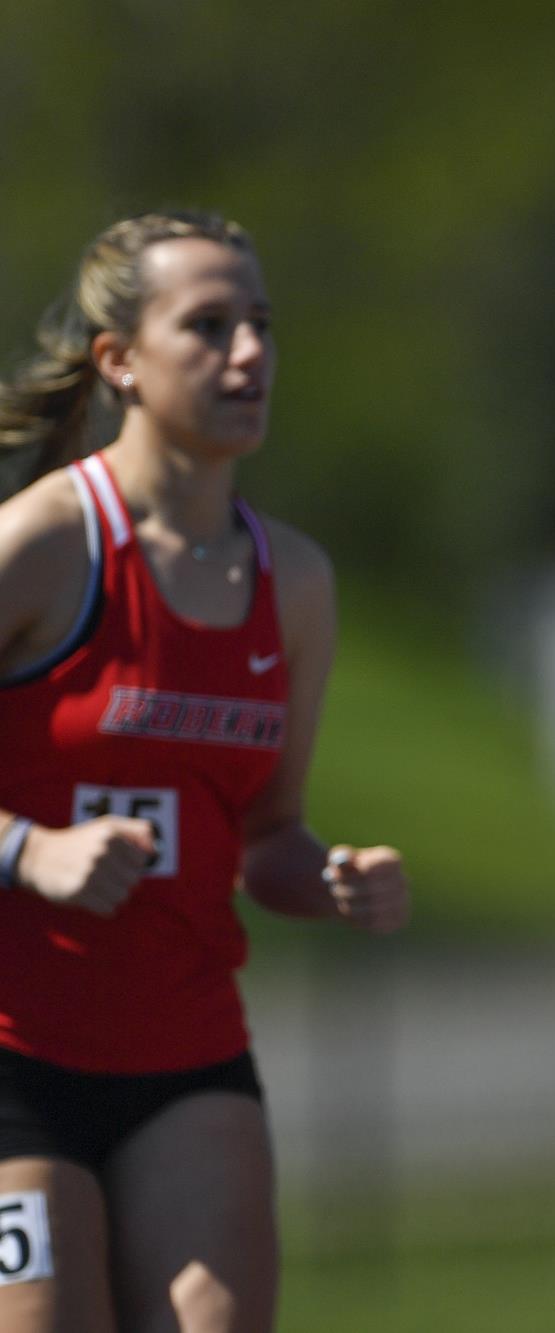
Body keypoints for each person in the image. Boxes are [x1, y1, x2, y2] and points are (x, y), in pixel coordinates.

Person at [0, 211, 409, 1333]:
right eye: (208, 326)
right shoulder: (41, 544)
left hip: (187, 1049)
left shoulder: (295, 582)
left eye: (261, 325)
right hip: (16, 1056)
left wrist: (327, 879)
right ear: (119, 361)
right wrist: (29, 851)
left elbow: (268, 836)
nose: (248, 354)